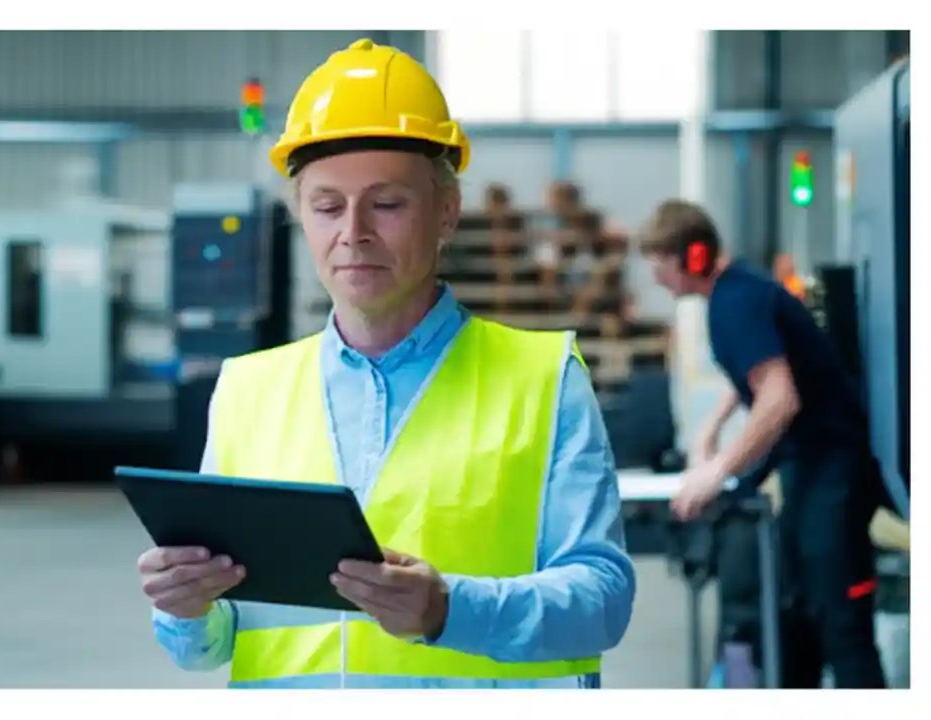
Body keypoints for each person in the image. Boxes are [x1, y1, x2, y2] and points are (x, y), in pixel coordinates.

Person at [136, 38, 635, 690]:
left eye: (387, 203)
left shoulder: (542, 380)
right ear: (301, 217)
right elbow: (209, 646)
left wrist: (450, 609)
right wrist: (185, 608)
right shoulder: (247, 391)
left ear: (447, 212)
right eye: (326, 206)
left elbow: (602, 601)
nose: (354, 231)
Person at [642, 199, 888, 688]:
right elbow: (757, 368)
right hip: (809, 470)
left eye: (658, 261)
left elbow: (779, 398)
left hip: (831, 470)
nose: (654, 275)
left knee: (841, 627)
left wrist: (715, 473)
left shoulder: (735, 303)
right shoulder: (740, 291)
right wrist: (712, 427)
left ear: (692, 257)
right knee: (798, 618)